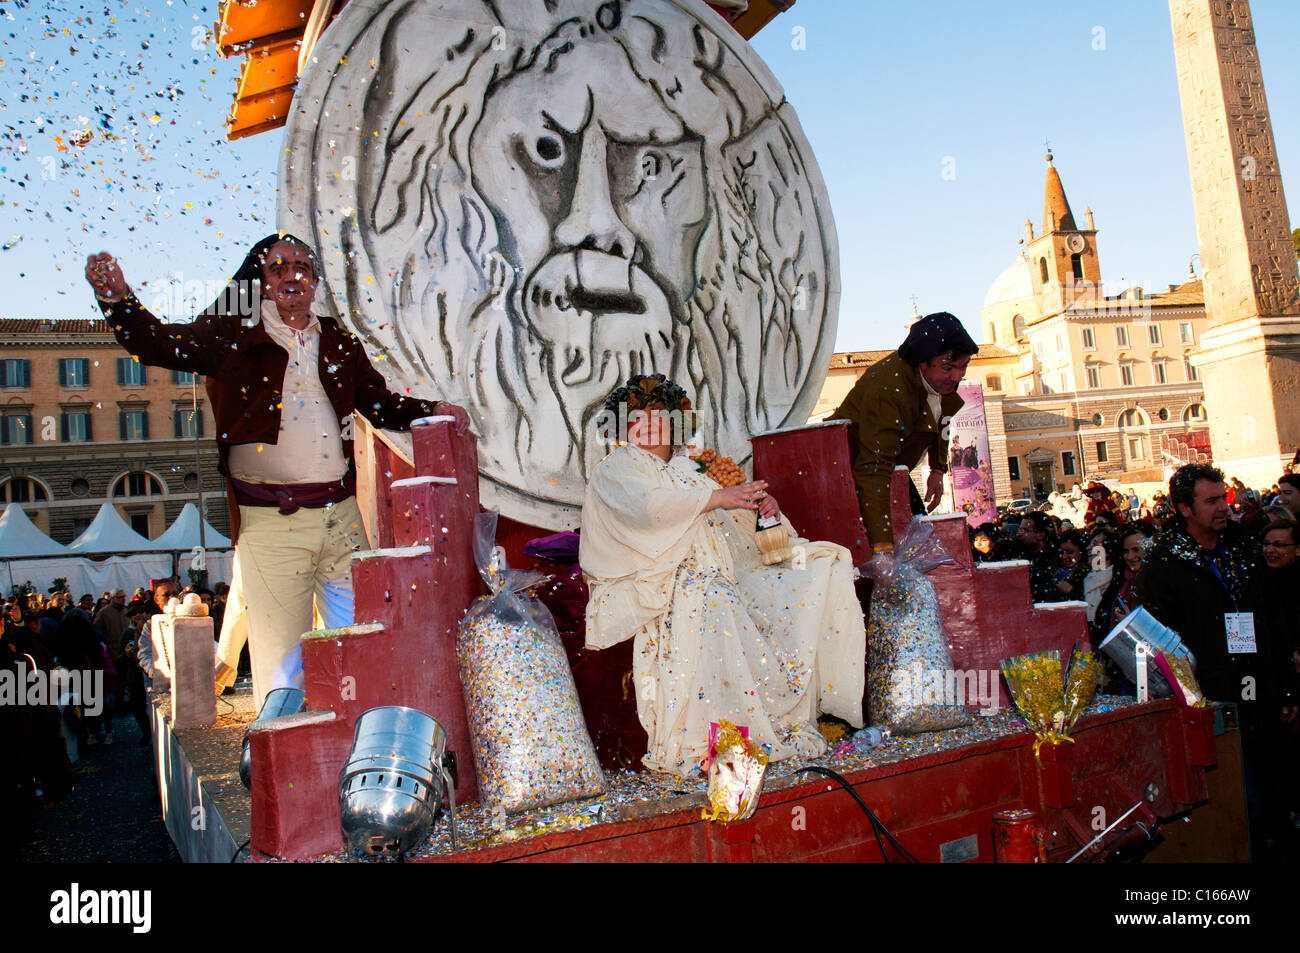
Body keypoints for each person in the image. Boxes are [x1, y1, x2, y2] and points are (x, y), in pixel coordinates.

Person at [85, 234, 469, 709]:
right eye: (278, 268)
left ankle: (360, 751)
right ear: (260, 283)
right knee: (283, 669)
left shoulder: (339, 342)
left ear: (315, 281)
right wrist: (117, 298)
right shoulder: (231, 336)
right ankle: (291, 765)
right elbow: (156, 343)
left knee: (365, 643)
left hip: (341, 515)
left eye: (303, 267)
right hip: (270, 522)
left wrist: (433, 409)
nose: (292, 275)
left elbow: (379, 404)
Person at [580, 375, 866, 776]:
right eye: (638, 420)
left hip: (724, 575)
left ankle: (783, 722)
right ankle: (713, 737)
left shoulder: (692, 472)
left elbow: (748, 539)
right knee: (712, 600)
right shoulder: (619, 466)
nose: (650, 428)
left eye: (659, 419)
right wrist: (717, 498)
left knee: (816, 571)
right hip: (669, 581)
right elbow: (647, 511)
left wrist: (764, 512)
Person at [832, 311, 978, 549]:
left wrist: (938, 468)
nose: (957, 376)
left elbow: (943, 420)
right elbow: (873, 470)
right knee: (909, 545)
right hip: (852, 474)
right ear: (923, 361)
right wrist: (882, 549)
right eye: (949, 367)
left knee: (920, 539)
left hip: (893, 470)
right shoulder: (886, 390)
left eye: (963, 368)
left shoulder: (940, 384)